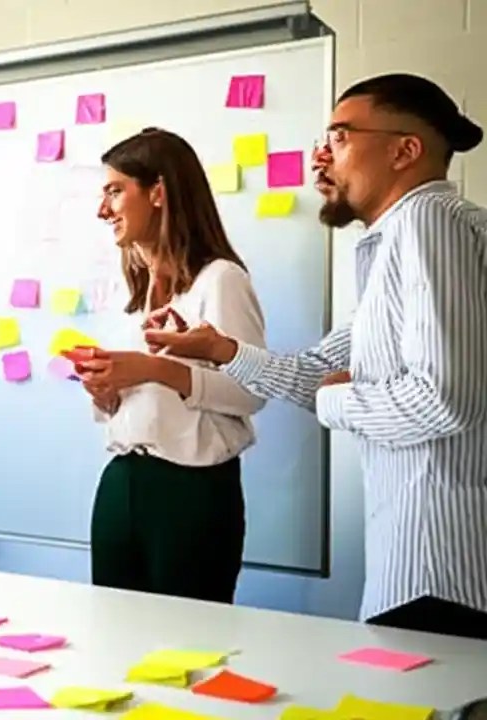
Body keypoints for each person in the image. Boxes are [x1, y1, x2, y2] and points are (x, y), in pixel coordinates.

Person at [144, 73, 487, 640]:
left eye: (341, 136)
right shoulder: (390, 248)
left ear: (406, 150)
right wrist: (220, 349)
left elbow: (443, 401)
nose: (320, 156)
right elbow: (311, 376)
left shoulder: (429, 221)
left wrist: (336, 398)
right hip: (415, 566)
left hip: (441, 571)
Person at [68, 128, 267, 604]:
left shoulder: (221, 280)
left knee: (187, 651)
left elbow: (250, 391)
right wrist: (107, 391)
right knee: (116, 640)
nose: (103, 210)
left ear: (158, 192)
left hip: (191, 493)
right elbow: (131, 401)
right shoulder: (129, 292)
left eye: (115, 191)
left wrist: (152, 369)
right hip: (122, 482)